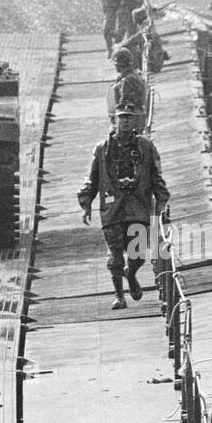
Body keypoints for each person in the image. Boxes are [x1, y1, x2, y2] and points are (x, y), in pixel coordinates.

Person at [78, 104, 169, 310]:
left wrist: (161, 202)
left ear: (134, 121)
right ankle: (119, 296)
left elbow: (156, 176)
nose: (125, 121)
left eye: (129, 118)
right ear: (115, 121)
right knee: (115, 256)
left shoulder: (146, 147)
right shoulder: (102, 149)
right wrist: (86, 204)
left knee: (137, 255)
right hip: (113, 209)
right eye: (121, 118)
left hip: (138, 206)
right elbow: (92, 179)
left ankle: (132, 273)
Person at [115, 5, 169, 74]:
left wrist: (118, 47)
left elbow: (129, 42)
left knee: (128, 50)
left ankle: (131, 71)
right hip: (158, 63)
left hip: (151, 65)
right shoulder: (149, 27)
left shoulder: (144, 31)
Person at [107, 47, 147, 128]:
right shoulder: (136, 76)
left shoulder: (126, 80)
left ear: (119, 64)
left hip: (130, 120)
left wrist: (114, 118)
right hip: (138, 117)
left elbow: (123, 103)